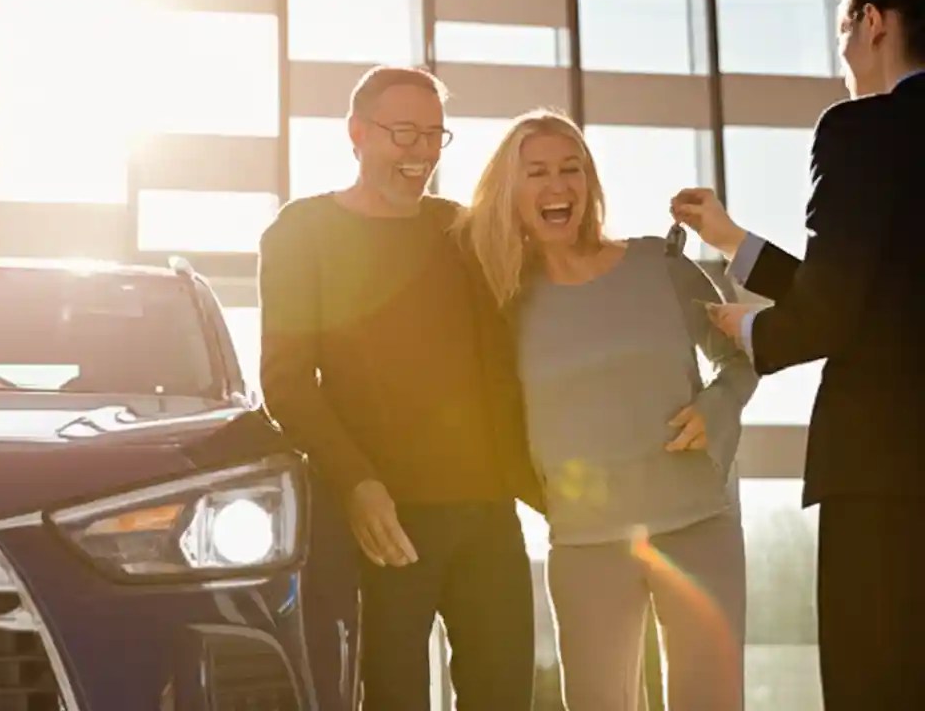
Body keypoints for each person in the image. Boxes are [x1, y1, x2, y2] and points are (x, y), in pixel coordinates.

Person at [257, 65, 543, 710]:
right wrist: (357, 484)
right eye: (403, 133)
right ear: (357, 134)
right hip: (379, 521)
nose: (420, 153)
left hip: (490, 515)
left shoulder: (467, 232)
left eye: (434, 136)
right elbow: (287, 381)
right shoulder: (302, 232)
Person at [670, 0, 925, 707]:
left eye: (843, 31)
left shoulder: (860, 130)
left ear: (873, 21)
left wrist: (751, 334)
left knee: (878, 685)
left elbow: (836, 310)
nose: (843, 55)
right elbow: (878, 290)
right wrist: (733, 243)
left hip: (884, 473)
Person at [461, 108, 758, 711]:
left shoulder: (660, 265)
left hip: (699, 522)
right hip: (585, 541)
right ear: (511, 194)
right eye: (537, 172)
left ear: (590, 183)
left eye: (571, 169)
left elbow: (743, 357)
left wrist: (716, 406)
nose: (557, 186)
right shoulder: (505, 302)